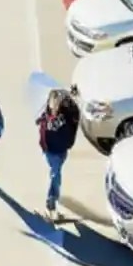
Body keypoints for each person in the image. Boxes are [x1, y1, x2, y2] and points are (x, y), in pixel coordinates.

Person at [36, 88, 80, 223]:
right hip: (52, 152)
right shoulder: (51, 118)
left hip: (61, 151)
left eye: (57, 102)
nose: (54, 105)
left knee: (56, 175)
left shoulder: (63, 114)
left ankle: (52, 203)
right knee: (55, 176)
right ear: (49, 103)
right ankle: (50, 204)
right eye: (52, 102)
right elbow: (52, 125)